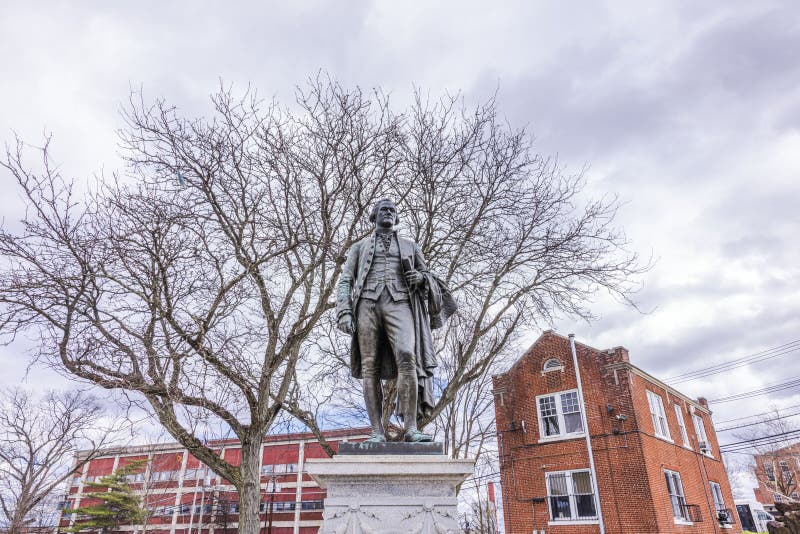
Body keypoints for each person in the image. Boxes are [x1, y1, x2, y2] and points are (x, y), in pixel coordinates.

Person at [336, 199, 455, 443]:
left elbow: (429, 277)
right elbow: (346, 280)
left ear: (396, 217)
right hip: (367, 305)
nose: (388, 213)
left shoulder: (411, 246)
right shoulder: (359, 247)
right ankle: (377, 431)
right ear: (374, 216)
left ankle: (411, 428)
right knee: (370, 366)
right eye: (383, 210)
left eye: (392, 210)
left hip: (400, 304)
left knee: (407, 357)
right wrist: (344, 312)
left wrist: (420, 278)